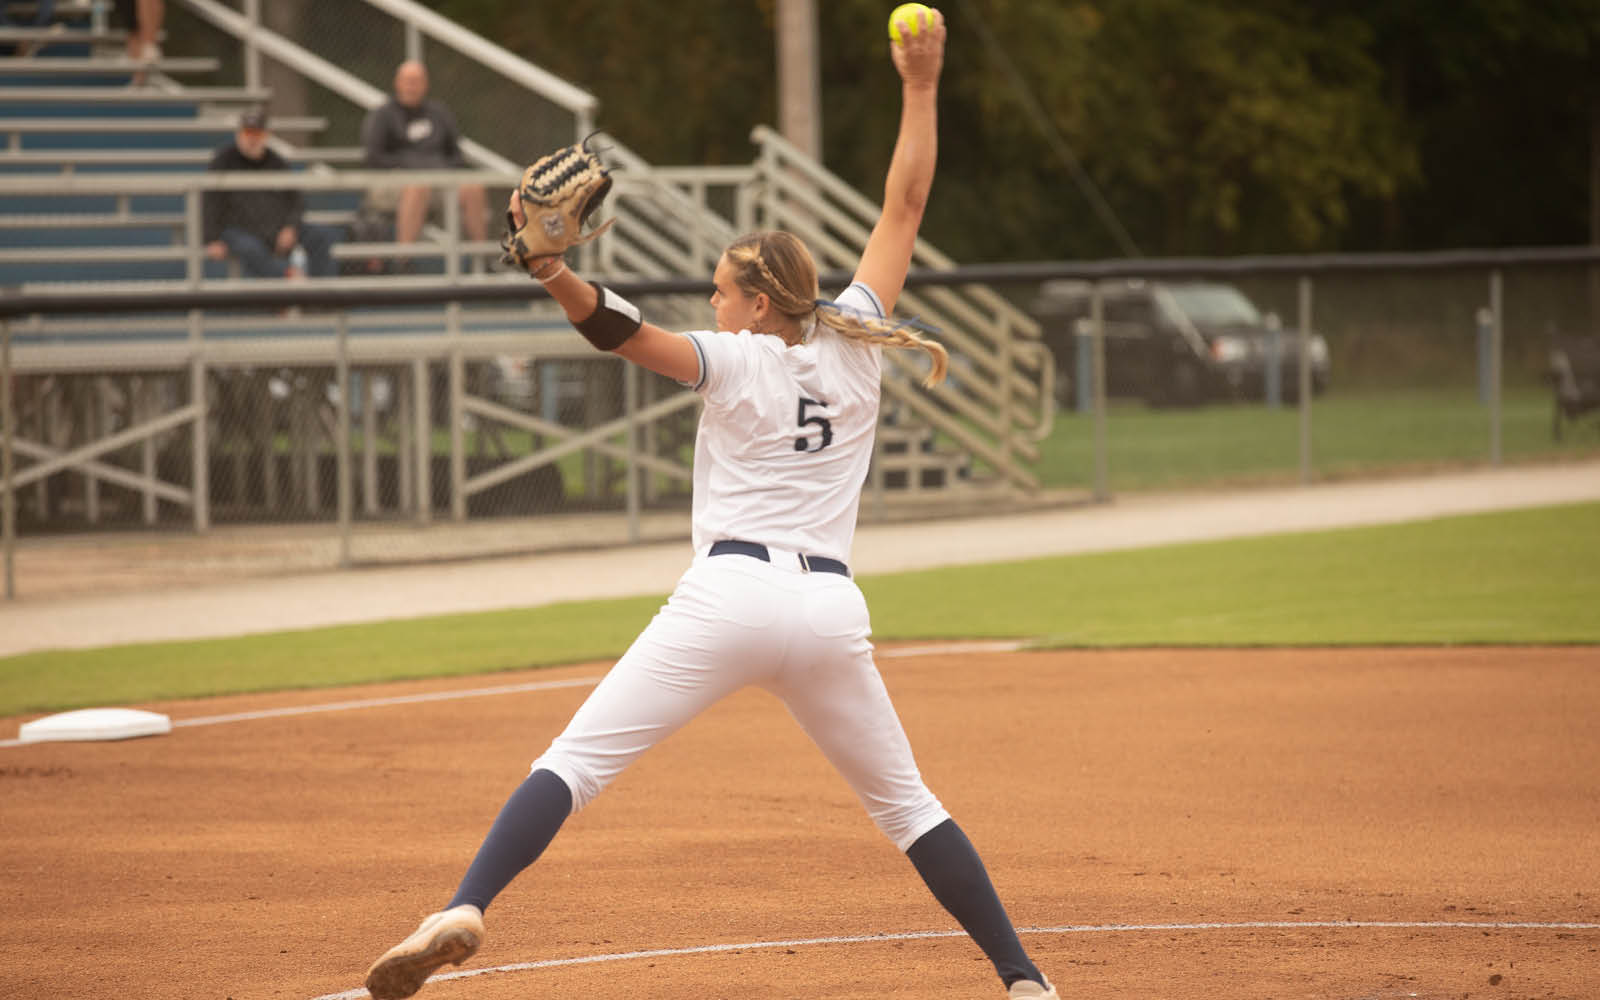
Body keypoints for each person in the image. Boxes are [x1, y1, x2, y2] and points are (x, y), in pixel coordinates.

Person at [362, 9, 1057, 1000]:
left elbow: (622, 332)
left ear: (760, 304)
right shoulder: (855, 338)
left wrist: (553, 269)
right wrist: (919, 84)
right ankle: (1025, 981)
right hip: (829, 612)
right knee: (909, 809)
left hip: (728, 598)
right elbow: (904, 206)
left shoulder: (734, 358)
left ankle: (465, 905)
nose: (715, 302)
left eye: (725, 291)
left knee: (575, 762)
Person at [361, 60, 490, 269]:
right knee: (418, 186)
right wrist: (411, 164)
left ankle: (481, 261)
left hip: (438, 179)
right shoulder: (383, 115)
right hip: (394, 182)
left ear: (425, 84)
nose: (412, 86)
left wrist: (438, 167)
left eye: (417, 81)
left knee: (473, 187)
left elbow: (456, 156)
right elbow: (374, 158)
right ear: (397, 83)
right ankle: (403, 262)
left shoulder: (439, 114)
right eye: (407, 81)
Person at [202, 108, 338, 280]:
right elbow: (209, 202)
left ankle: (322, 291)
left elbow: (296, 200)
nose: (252, 139)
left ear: (266, 135)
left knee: (320, 236)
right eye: (248, 133)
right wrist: (211, 239)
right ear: (239, 135)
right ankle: (289, 277)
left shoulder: (277, 162)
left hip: (277, 228)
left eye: (257, 134)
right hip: (238, 230)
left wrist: (290, 227)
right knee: (251, 249)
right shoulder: (223, 161)